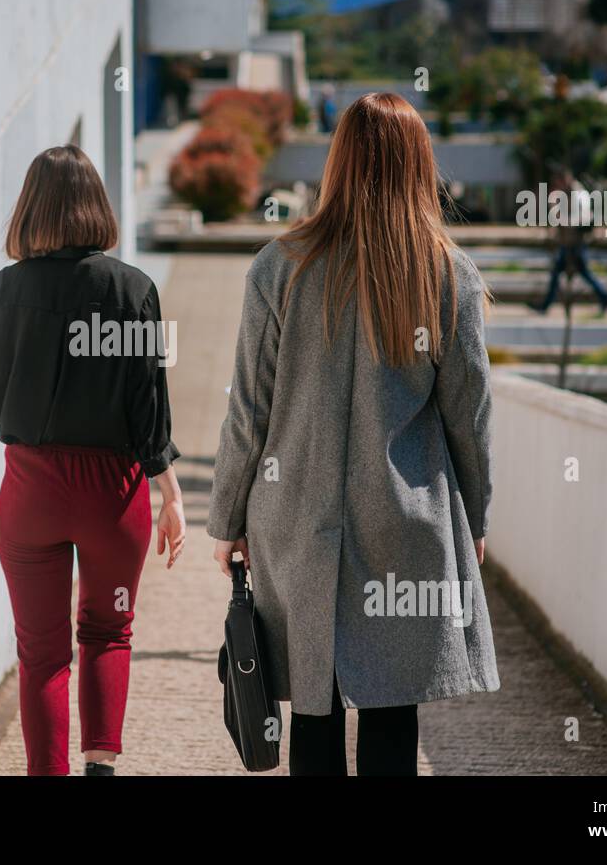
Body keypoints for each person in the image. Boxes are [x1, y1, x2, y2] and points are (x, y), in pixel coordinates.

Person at [206, 93, 500, 776]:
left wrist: (226, 518)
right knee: (394, 710)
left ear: (338, 162)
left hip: (295, 520)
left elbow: (248, 409)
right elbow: (469, 416)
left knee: (314, 702)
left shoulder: (280, 266)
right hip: (404, 521)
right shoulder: (447, 274)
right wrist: (476, 517)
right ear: (418, 166)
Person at [0, 145, 186, 776]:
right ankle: (100, 766)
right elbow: (150, 416)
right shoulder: (134, 288)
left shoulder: (5, 290)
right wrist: (171, 493)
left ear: (30, 208)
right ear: (96, 205)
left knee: (41, 654)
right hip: (111, 497)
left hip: (31, 491)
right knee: (107, 633)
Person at [529, 168, 607, 317]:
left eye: (558, 181)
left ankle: (606, 300)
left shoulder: (576, 195)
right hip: (568, 243)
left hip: (574, 244)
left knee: (570, 274)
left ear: (564, 180)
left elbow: (574, 218)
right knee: (569, 274)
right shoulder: (569, 194)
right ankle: (606, 300)